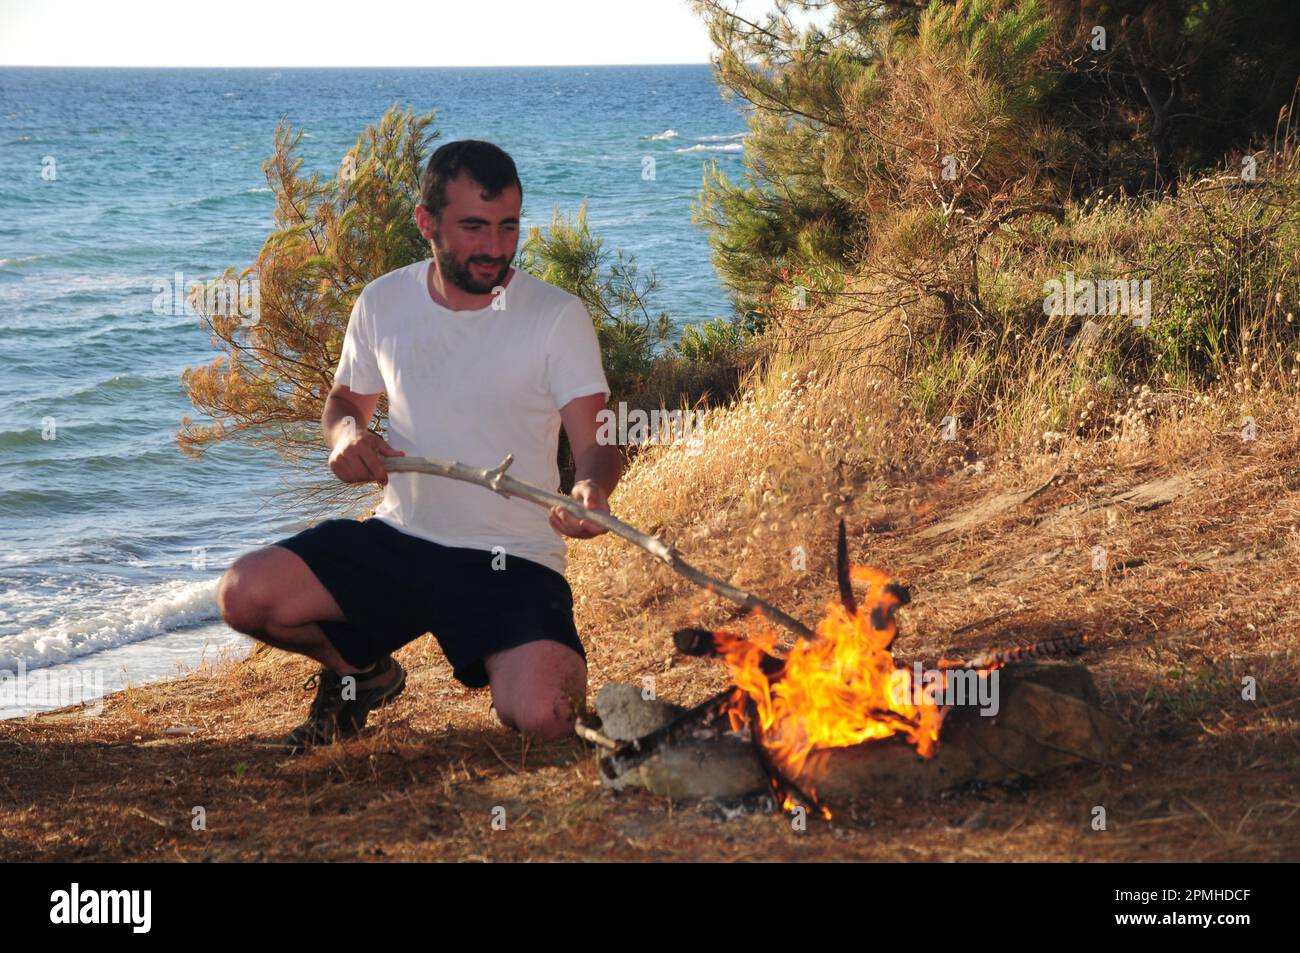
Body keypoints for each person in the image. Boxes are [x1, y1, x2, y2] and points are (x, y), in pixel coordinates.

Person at [216, 140, 620, 753]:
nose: (495, 247)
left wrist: (591, 487)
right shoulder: (384, 301)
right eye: (474, 227)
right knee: (243, 593)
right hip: (400, 539)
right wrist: (346, 436)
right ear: (426, 222)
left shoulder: (556, 316)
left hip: (512, 559)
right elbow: (345, 403)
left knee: (549, 719)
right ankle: (362, 674)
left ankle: (507, 665)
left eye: (508, 226)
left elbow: (598, 442)